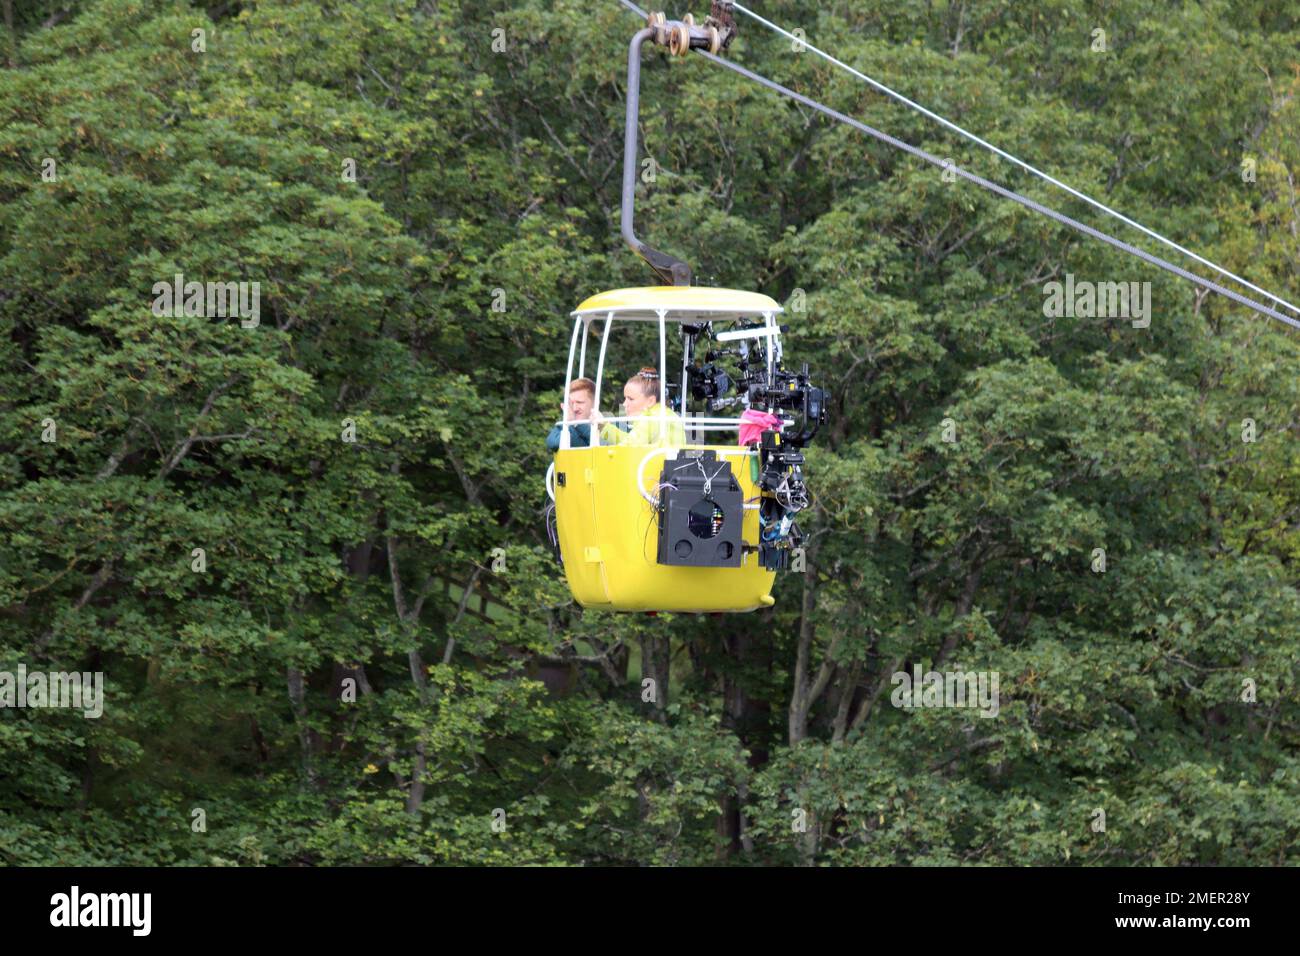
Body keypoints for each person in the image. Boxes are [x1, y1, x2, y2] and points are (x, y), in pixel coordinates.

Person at [591, 367, 685, 447]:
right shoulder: (667, 414)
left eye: (630, 399)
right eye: (625, 398)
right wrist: (604, 427)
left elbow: (628, 447)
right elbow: (631, 441)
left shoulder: (650, 418)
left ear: (650, 401)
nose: (624, 404)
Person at [546, 377, 596, 452]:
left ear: (594, 403)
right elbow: (553, 443)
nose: (574, 408)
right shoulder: (563, 426)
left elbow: (598, 443)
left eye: (580, 402)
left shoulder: (605, 425)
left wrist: (577, 425)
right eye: (571, 404)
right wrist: (572, 423)